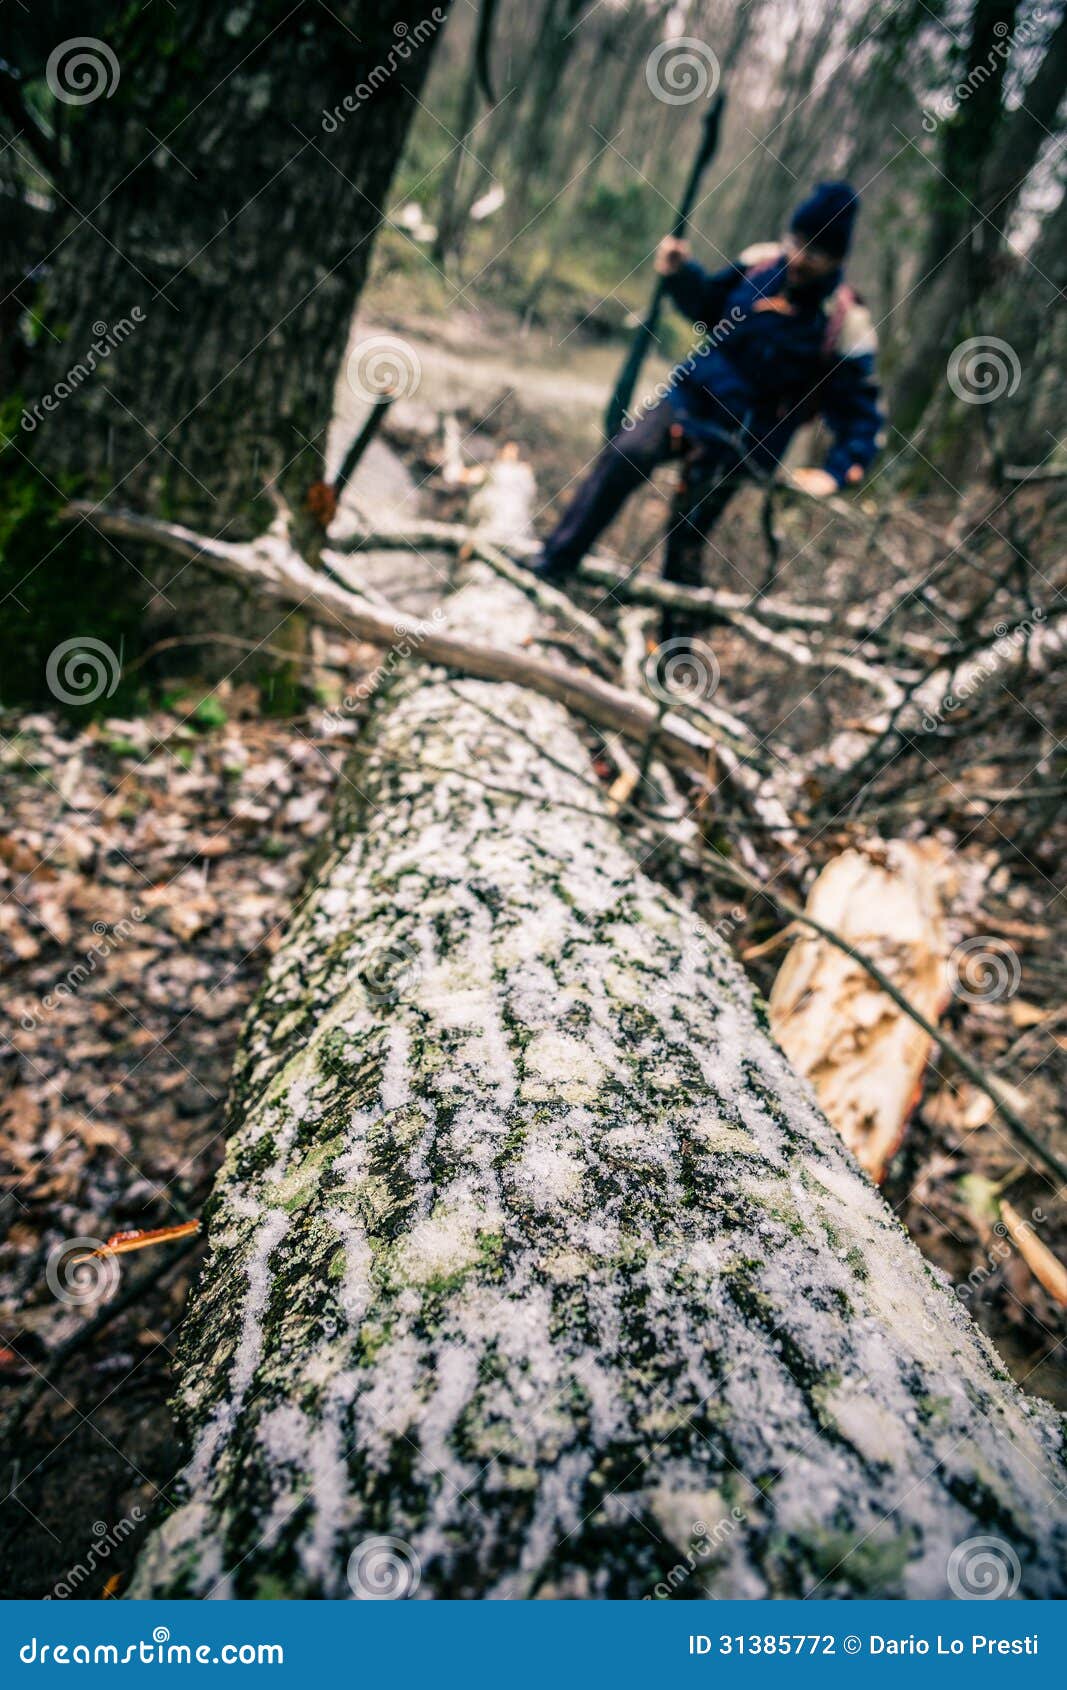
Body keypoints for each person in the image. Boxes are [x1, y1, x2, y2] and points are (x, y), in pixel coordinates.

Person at [530, 181, 884, 598]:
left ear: (837, 259)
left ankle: (674, 638)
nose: (801, 257)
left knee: (688, 531)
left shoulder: (846, 322)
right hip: (690, 396)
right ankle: (553, 564)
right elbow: (708, 307)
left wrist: (837, 470)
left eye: (816, 252)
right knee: (626, 455)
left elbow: (862, 415)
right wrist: (682, 273)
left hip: (745, 437)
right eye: (798, 241)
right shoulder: (760, 263)